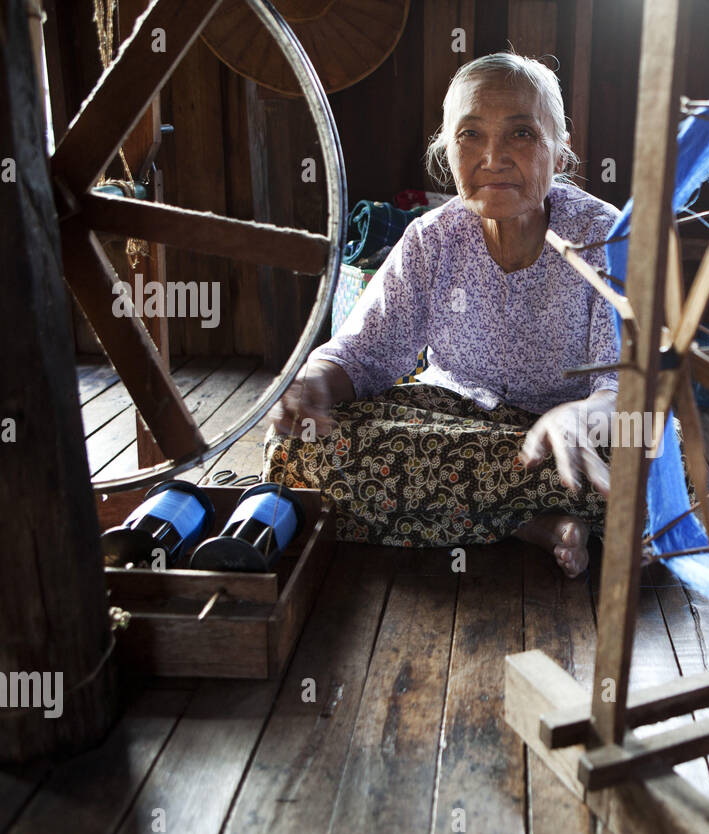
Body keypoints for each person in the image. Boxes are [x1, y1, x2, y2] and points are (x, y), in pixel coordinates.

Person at [263, 52, 621, 578]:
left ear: (561, 153)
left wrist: (580, 415)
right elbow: (364, 355)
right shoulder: (431, 239)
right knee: (295, 451)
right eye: (470, 134)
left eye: (521, 134)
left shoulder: (606, 236)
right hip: (452, 419)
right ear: (447, 151)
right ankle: (535, 520)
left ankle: (494, 510)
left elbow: (625, 382)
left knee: (654, 452)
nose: (493, 157)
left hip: (577, 434)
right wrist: (311, 383)